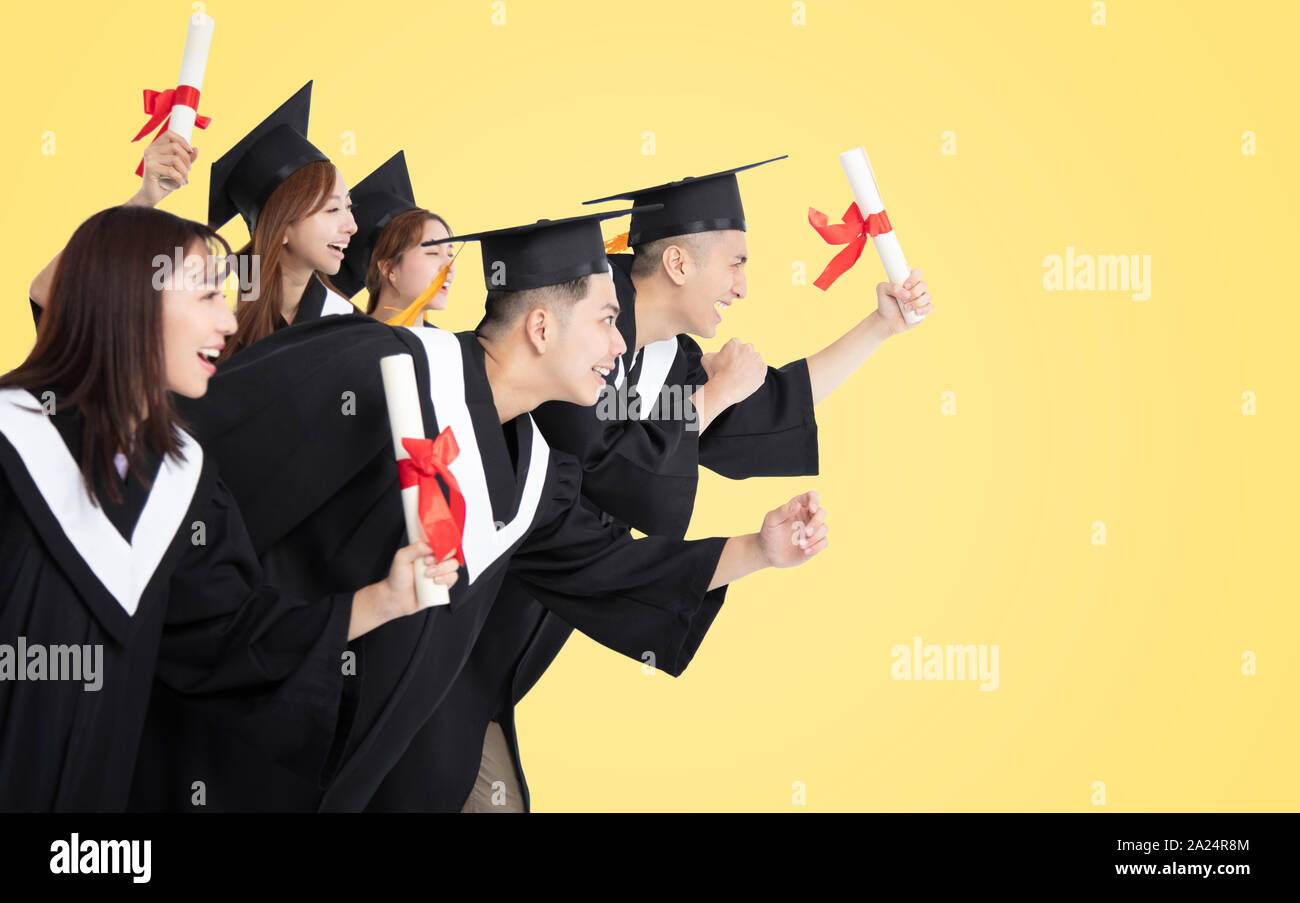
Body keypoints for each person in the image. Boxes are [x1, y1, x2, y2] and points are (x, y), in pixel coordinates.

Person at [173, 207, 830, 811]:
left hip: (348, 769)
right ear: (541, 327)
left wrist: (759, 550)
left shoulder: (537, 476)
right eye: (607, 320)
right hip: (224, 722)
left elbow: (609, 566)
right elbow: (200, 448)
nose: (619, 346)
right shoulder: (376, 360)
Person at [437, 157, 935, 811]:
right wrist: (715, 395)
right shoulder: (575, 328)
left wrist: (881, 327)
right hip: (439, 621)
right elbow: (607, 452)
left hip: (509, 635)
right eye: (735, 262)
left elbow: (764, 410)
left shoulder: (666, 357)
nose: (745, 285)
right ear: (677, 263)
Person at [0, 205, 457, 811]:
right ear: (132, 299)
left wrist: (384, 600)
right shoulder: (14, 437)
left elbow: (230, 638)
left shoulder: (182, 477)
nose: (227, 317)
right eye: (208, 296)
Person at [208, 81, 360, 360]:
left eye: (349, 207)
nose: (352, 226)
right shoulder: (212, 301)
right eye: (332, 210)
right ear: (283, 226)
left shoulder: (347, 324)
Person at [329, 150, 456, 321]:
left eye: (450, 253)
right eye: (433, 252)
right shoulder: (346, 343)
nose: (449, 267)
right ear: (389, 268)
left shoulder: (451, 345)